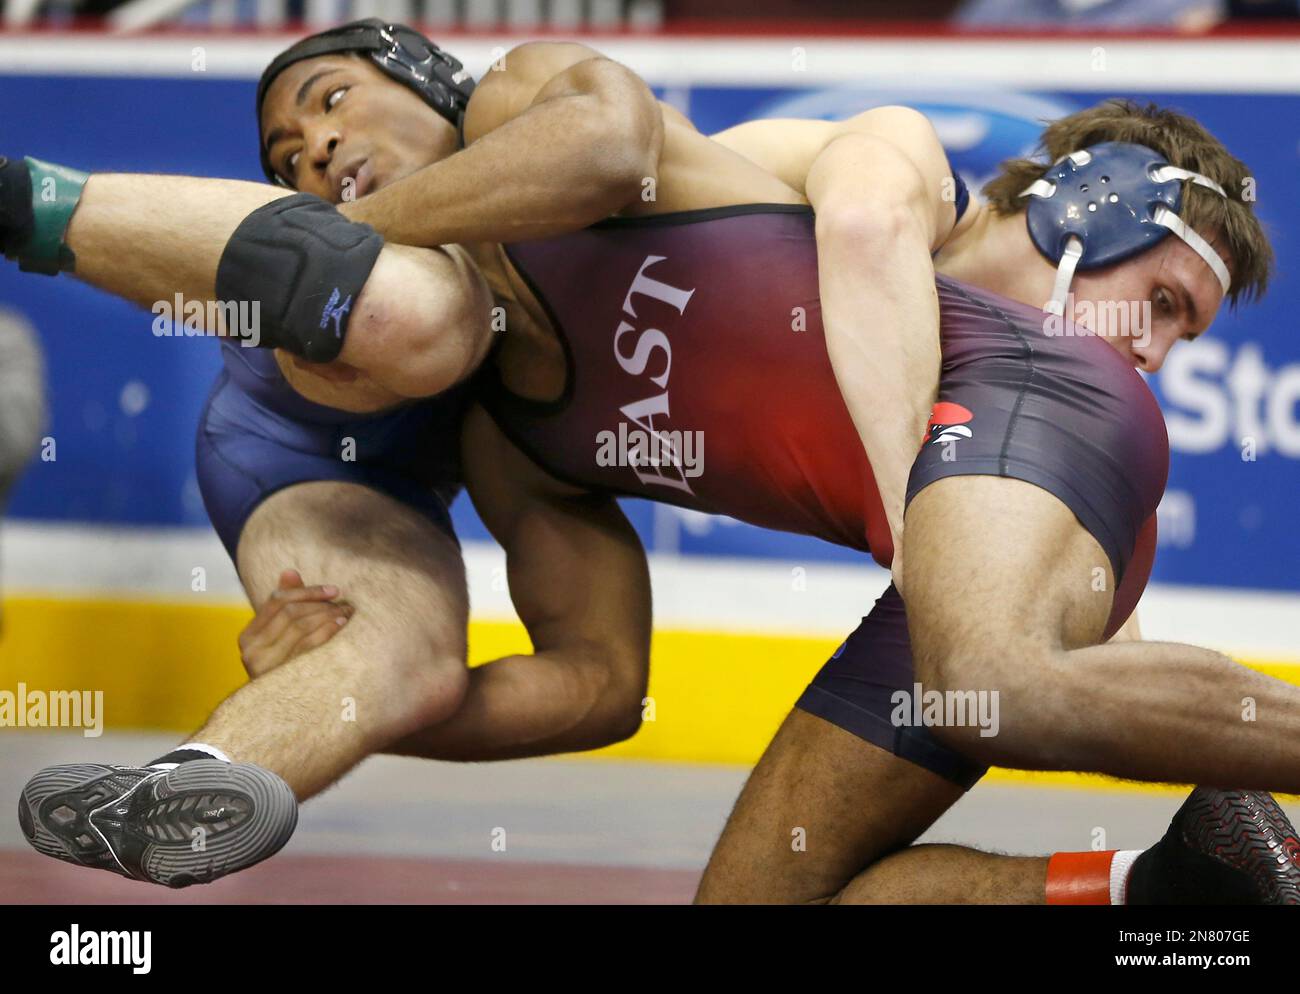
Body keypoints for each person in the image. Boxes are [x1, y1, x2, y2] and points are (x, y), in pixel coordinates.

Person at [8, 21, 1292, 903]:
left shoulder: (540, 103)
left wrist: (335, 237)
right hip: (956, 542)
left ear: (429, 80)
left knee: (1003, 680)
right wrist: (360, 707)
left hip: (1002, 433)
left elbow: (667, 162)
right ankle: (1178, 888)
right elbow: (598, 685)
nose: (317, 156)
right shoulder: (517, 442)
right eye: (288, 167)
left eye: (335, 104)